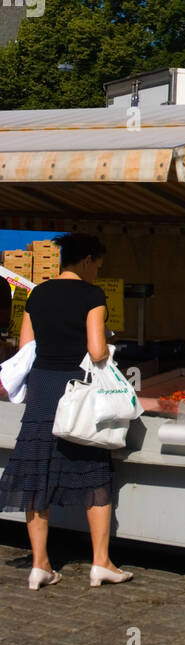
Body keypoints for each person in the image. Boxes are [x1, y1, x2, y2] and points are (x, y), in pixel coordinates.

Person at [0, 233, 133, 589]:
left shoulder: (38, 293)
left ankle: (40, 564)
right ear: (88, 260)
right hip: (77, 391)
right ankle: (101, 563)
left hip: (42, 388)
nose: (97, 272)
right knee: (93, 472)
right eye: (98, 266)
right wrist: (107, 343)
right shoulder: (92, 295)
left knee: (36, 471)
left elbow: (26, 346)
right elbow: (96, 349)